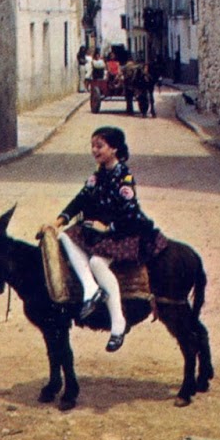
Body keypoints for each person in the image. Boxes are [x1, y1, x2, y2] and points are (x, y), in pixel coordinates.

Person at [55, 125, 156, 352]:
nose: (94, 150)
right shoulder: (97, 175)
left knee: (97, 262)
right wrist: (59, 220)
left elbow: (130, 215)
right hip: (99, 232)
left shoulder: (125, 178)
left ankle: (118, 324)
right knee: (65, 237)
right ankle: (91, 289)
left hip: (123, 232)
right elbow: (81, 199)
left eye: (99, 146)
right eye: (92, 145)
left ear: (114, 149)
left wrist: (107, 227)